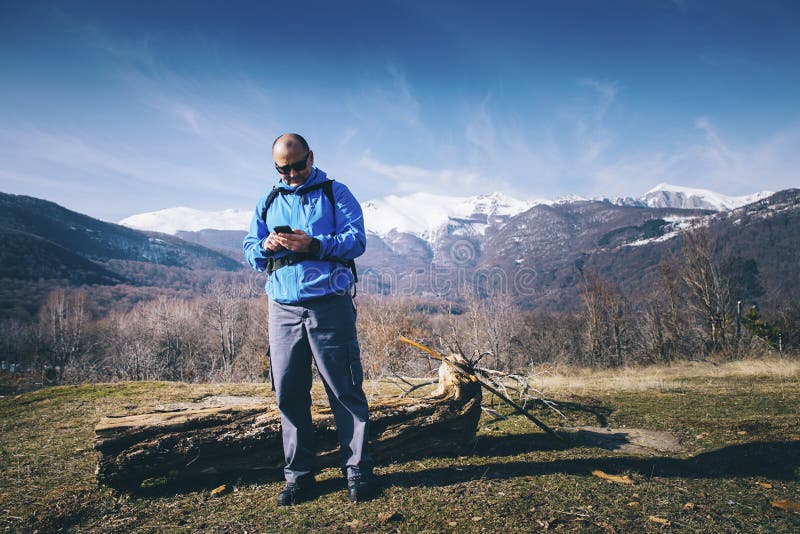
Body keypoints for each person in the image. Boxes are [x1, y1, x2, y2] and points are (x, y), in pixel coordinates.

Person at [243, 133, 374, 505]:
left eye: (298, 165)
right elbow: (250, 248)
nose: (292, 174)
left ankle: (358, 470)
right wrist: (264, 247)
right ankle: (299, 476)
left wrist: (313, 244)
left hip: (329, 303)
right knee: (288, 392)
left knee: (344, 390)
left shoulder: (336, 193)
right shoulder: (268, 200)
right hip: (281, 308)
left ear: (311, 157)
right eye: (283, 169)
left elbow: (356, 240)